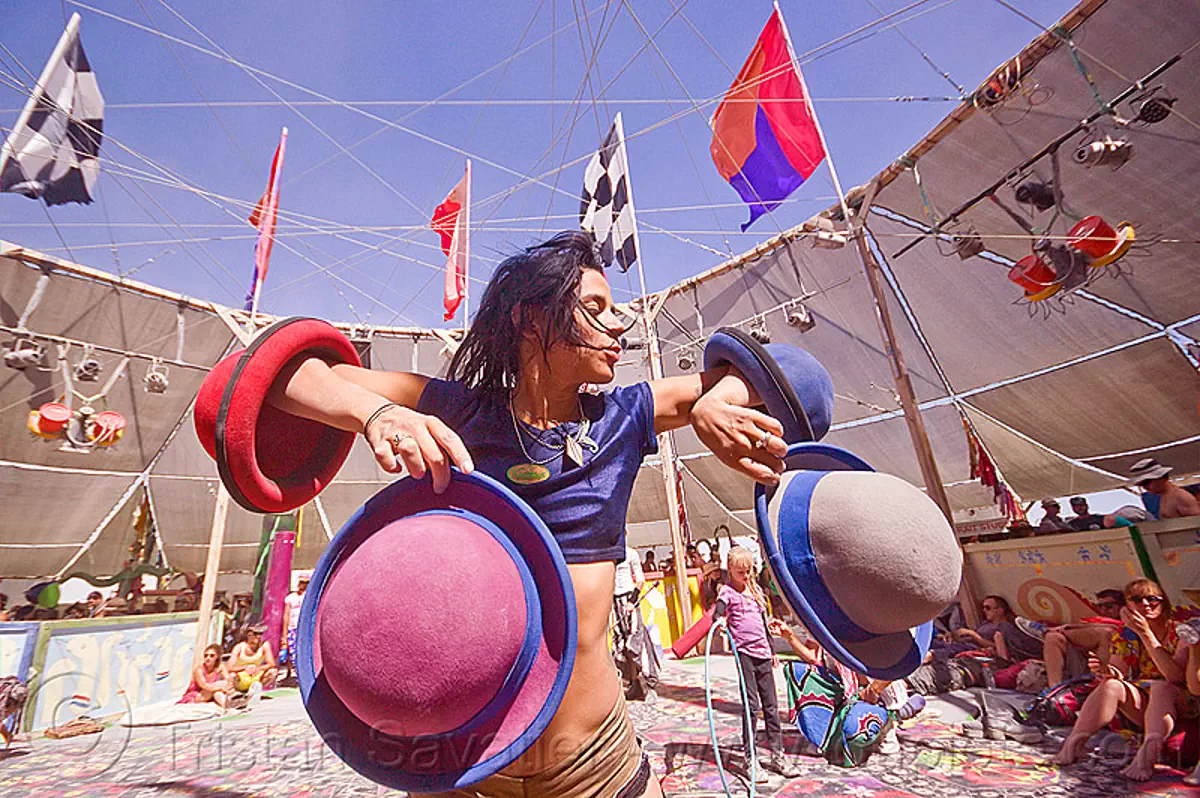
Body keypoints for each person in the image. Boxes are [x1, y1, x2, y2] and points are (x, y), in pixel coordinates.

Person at [265, 231, 788, 797]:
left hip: (594, 768)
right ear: (530, 319)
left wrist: (716, 399)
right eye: (596, 308)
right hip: (460, 770)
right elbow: (284, 380)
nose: (620, 325)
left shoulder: (626, 415)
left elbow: (784, 369)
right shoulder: (459, 409)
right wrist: (378, 413)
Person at [1053, 578, 1193, 780]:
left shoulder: (1180, 631)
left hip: (1181, 698)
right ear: (1128, 605)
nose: (1145, 604)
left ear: (1163, 602)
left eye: (1152, 599)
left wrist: (1146, 634)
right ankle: (1075, 742)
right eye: (1137, 600)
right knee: (1111, 686)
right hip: (1147, 701)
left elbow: (1176, 676)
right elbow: (1118, 672)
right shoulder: (1126, 634)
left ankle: (1148, 755)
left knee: (1162, 687)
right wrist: (1104, 670)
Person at [714, 547, 799, 780]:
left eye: (748, 570)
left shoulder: (756, 591)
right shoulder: (727, 592)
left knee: (771, 706)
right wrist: (720, 620)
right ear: (730, 570)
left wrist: (772, 651)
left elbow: (762, 622)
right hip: (744, 654)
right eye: (741, 571)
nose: (746, 575)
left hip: (763, 653)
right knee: (752, 706)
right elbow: (718, 612)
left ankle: (777, 754)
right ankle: (750, 758)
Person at [1019, 588, 1126, 686]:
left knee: (1106, 633)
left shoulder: (1127, 621)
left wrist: (1068, 627)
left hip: (1111, 672)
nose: (1103, 610)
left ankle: (1043, 631)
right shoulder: (1095, 620)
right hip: (1084, 665)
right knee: (1053, 637)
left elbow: (1117, 627)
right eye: (1100, 606)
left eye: (1109, 606)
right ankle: (1055, 690)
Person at [1129, 459, 1200, 520]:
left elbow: (1196, 523)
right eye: (1141, 485)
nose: (1145, 487)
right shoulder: (1164, 496)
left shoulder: (1180, 496)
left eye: (1146, 482)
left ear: (1161, 477)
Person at [180, 643, 233, 711]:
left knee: (220, 688)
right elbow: (204, 685)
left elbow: (228, 678)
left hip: (211, 691)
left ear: (217, 657)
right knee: (217, 686)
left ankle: (226, 705)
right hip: (197, 695)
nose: (208, 658)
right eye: (206, 656)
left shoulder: (220, 667)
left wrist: (229, 685)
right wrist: (220, 688)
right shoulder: (199, 669)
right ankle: (228, 706)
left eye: (212, 656)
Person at [228, 625, 277, 696]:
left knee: (273, 672)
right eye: (256, 634)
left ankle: (256, 690)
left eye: (261, 634)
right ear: (249, 635)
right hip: (242, 676)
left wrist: (257, 668)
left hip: (256, 675)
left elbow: (271, 663)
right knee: (232, 675)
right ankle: (237, 692)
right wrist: (245, 668)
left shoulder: (264, 645)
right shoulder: (239, 647)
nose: (259, 636)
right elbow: (229, 667)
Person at [280, 576, 309, 681]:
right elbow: (286, 615)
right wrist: (284, 634)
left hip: (304, 629)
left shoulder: (309, 596)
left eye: (306, 583)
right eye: (302, 582)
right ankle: (290, 672)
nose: (303, 585)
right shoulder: (291, 598)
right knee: (291, 650)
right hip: (293, 628)